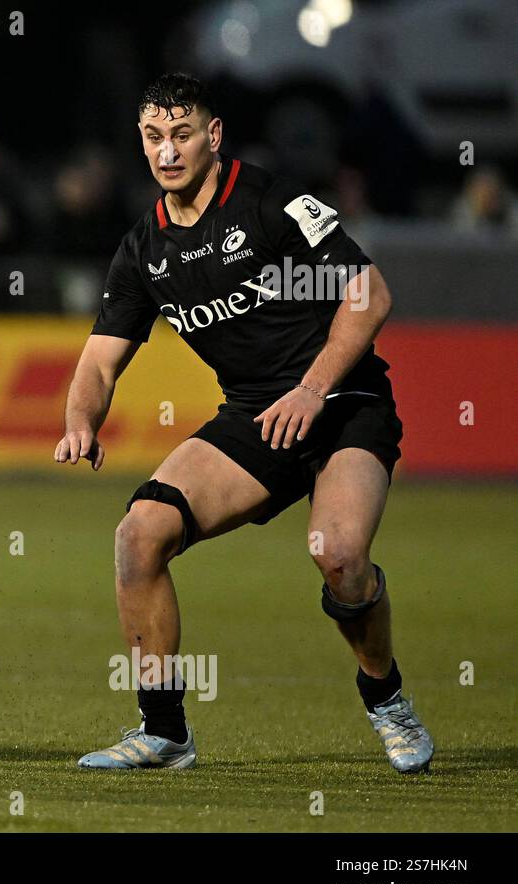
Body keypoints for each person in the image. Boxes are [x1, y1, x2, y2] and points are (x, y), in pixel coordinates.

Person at [56, 74, 432, 773]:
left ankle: (386, 697)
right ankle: (164, 732)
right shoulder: (146, 251)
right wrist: (81, 420)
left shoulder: (273, 203)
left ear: (213, 135)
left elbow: (369, 292)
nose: (167, 150)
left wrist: (314, 388)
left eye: (182, 134)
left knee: (340, 557)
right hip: (256, 418)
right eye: (153, 137)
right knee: (139, 534)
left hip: (345, 404)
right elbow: (98, 365)